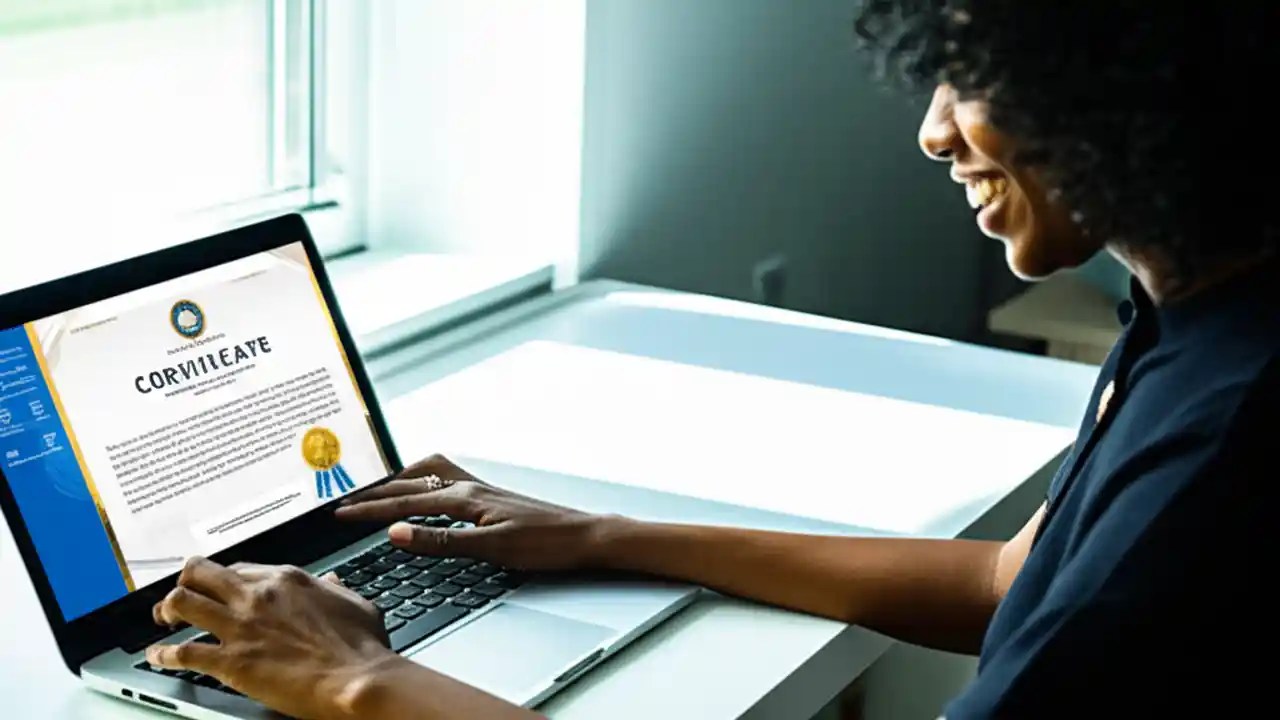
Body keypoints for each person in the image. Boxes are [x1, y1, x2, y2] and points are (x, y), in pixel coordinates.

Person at [145, 2, 1277, 718]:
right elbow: (1005, 583)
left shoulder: (1226, 431)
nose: (933, 130)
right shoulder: (1197, 306)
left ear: (1134, 75)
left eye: (972, 67)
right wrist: (598, 537)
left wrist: (355, 679)